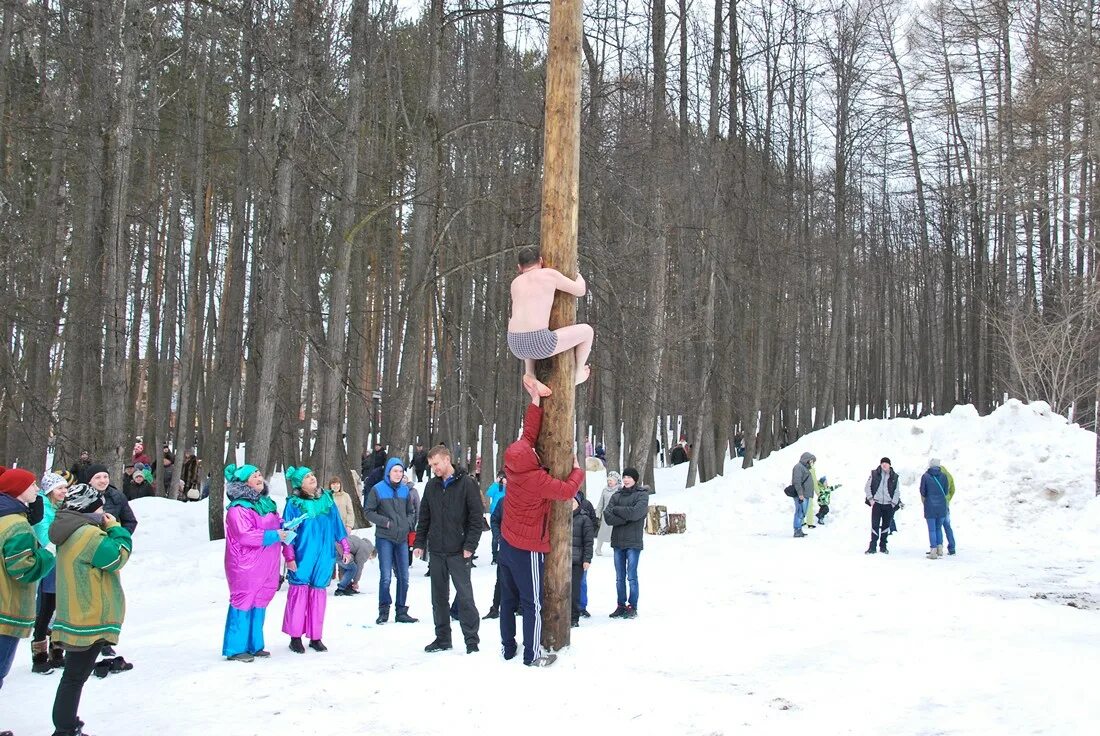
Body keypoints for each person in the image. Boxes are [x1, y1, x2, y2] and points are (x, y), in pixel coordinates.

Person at [499, 379, 585, 666]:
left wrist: (535, 401)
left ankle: (507, 648)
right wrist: (577, 471)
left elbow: (529, 433)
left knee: (508, 601)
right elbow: (565, 491)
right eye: (533, 453)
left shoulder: (514, 467)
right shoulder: (535, 479)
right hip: (527, 548)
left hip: (507, 543)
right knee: (532, 603)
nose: (535, 450)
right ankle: (532, 655)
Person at [48, 481, 132, 736]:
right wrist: (116, 529)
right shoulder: (87, 534)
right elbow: (117, 557)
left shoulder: (68, 529)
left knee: (73, 676)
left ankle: (66, 723)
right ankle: (64, 728)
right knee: (75, 677)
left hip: (75, 610)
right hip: (88, 613)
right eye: (100, 506)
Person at [413, 445, 484, 655]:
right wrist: (419, 542)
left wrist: (470, 545)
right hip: (437, 550)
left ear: (446, 460)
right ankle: (442, 638)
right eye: (431, 465)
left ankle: (471, 640)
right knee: (438, 598)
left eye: (435, 464)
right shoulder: (432, 486)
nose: (433, 468)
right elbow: (424, 516)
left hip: (458, 551)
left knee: (465, 597)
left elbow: (476, 518)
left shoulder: (467, 483)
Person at [507, 246, 594, 396]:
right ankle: (579, 372)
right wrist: (577, 274)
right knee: (587, 331)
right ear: (541, 261)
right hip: (540, 343)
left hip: (514, 344)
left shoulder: (515, 283)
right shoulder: (549, 274)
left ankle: (529, 373)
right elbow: (580, 290)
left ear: (519, 267)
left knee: (525, 328)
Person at [281, 466, 350, 653]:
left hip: (325, 555)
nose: (312, 478)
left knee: (318, 594)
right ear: (299, 483)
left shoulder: (327, 499)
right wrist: (289, 557)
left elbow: (337, 525)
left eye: (312, 474)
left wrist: (345, 546)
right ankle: (295, 637)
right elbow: (287, 532)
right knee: (299, 593)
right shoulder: (293, 504)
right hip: (303, 555)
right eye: (306, 476)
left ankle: (316, 636)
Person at [222, 464, 286, 662]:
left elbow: (276, 524)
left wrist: (286, 526)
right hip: (245, 563)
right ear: (243, 482)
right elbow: (244, 534)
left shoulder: (267, 503)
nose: (259, 477)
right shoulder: (238, 508)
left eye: (260, 474)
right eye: (254, 475)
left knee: (261, 600)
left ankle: (255, 644)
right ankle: (235, 648)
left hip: (269, 561)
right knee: (243, 601)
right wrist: (274, 535)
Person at [0, 467, 55, 692]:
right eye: (31, 484)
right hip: (7, 609)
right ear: (19, 490)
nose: (36, 489)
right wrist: (46, 554)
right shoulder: (16, 524)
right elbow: (22, 569)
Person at [364, 458, 419, 625]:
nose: (398, 474)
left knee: (404, 576)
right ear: (389, 472)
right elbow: (368, 511)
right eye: (395, 471)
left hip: (402, 538)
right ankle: (383, 609)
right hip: (385, 538)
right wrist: (385, 522)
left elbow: (411, 511)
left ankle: (401, 610)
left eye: (401, 471)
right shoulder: (377, 490)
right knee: (386, 576)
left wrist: (407, 524)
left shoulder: (404, 491)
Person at [30, 472, 70, 674]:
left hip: (63, 563)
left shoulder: (62, 507)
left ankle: (57, 652)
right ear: (49, 490)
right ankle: (39, 656)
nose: (64, 491)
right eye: (60, 488)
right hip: (49, 565)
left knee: (61, 609)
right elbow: (46, 538)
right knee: (46, 610)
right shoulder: (43, 509)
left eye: (65, 487)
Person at [603, 467, 648, 619]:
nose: (626, 479)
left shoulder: (642, 495)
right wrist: (627, 516)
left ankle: (632, 606)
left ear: (635, 479)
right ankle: (620, 605)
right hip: (618, 542)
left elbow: (637, 513)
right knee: (619, 577)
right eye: (625, 477)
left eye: (629, 477)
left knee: (632, 576)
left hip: (633, 542)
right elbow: (608, 517)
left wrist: (618, 511)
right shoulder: (617, 495)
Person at [86, 464, 138, 536]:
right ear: (89, 481)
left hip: (112, 543)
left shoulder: (118, 496)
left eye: (105, 477)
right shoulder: (80, 497)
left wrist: (120, 536)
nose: (103, 481)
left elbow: (130, 521)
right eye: (97, 477)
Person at [864, 457, 900, 554]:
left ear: (889, 465)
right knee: (875, 525)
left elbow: (897, 491)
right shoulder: (874, 474)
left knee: (886, 526)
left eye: (886, 463)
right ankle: (872, 547)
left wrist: (893, 503)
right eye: (882, 463)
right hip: (877, 504)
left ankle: (883, 546)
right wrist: (871, 499)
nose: (884, 464)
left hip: (888, 505)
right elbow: (867, 487)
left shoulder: (894, 476)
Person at [570, 496, 594, 628]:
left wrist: (587, 559)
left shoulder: (584, 519)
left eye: (573, 501)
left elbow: (589, 542)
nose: (570, 504)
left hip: (577, 560)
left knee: (575, 590)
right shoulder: (561, 517)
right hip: (562, 560)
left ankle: (574, 617)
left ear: (578, 503)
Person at [920, 459, 951, 559]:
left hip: (930, 506)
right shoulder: (944, 476)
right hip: (942, 506)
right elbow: (946, 491)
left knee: (932, 530)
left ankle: (933, 550)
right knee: (938, 528)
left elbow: (923, 491)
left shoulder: (925, 476)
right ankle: (940, 549)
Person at [595, 471, 621, 556]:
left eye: (611, 480)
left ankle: (616, 549)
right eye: (608, 480)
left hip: (615, 515)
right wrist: (598, 513)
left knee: (615, 533)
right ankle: (598, 548)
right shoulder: (605, 490)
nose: (609, 482)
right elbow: (601, 503)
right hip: (606, 515)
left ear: (616, 481)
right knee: (602, 532)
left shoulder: (619, 490)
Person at [791, 452, 815, 538]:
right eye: (811, 460)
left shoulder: (805, 468)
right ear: (807, 459)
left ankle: (799, 529)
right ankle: (797, 530)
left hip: (806, 495)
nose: (812, 462)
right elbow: (797, 482)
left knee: (802, 513)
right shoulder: (798, 467)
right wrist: (800, 494)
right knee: (799, 512)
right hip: (801, 495)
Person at [485, 472, 506, 563]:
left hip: (505, 512)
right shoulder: (496, 486)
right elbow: (488, 493)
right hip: (495, 512)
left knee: (505, 535)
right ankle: (494, 556)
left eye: (503, 478)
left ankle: (503, 555)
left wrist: (506, 484)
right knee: (495, 536)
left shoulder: (507, 487)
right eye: (500, 477)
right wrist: (495, 483)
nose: (501, 479)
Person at [939, 464, 957, 555]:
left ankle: (939, 547)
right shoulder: (949, 475)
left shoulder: (937, 476)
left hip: (937, 505)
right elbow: (953, 489)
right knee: (947, 526)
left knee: (937, 527)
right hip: (945, 505)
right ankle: (952, 547)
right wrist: (948, 498)